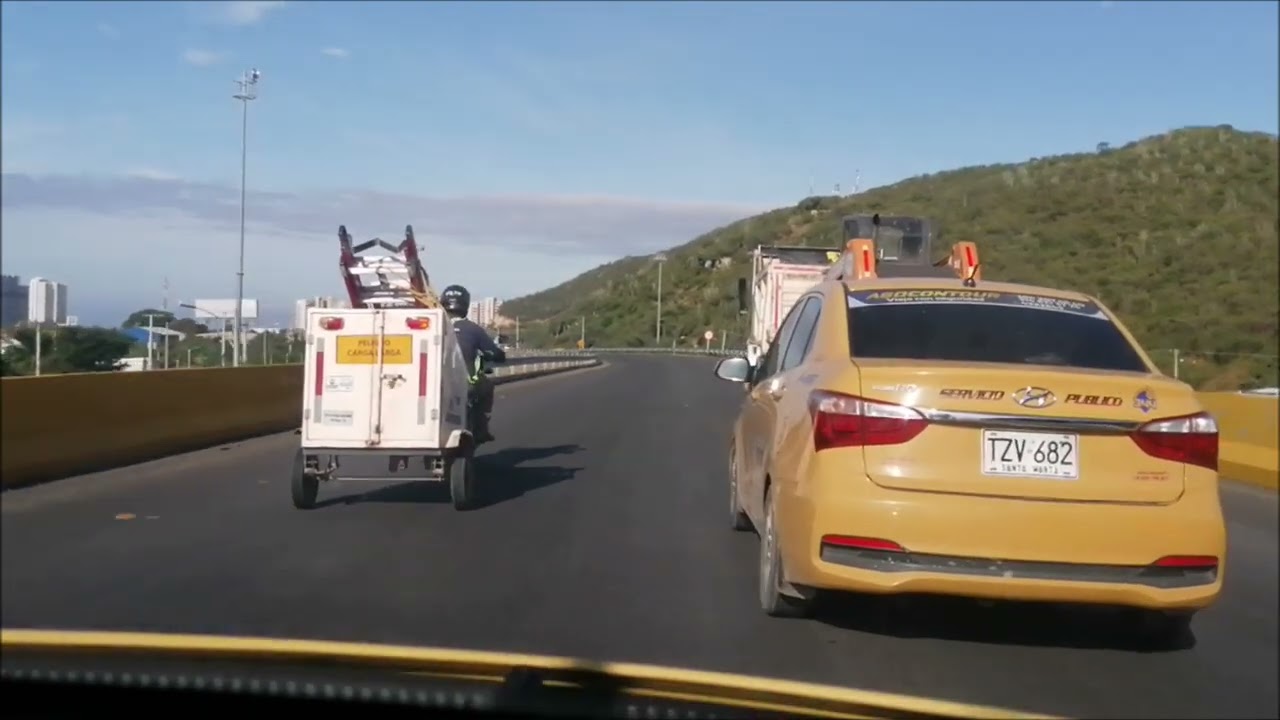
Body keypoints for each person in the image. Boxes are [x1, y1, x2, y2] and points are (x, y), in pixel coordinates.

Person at [439, 284, 506, 443]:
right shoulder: (473, 329)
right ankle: (482, 428)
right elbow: (494, 352)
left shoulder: (435, 325)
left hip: (436, 381)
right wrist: (498, 355)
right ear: (466, 305)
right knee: (487, 386)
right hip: (467, 382)